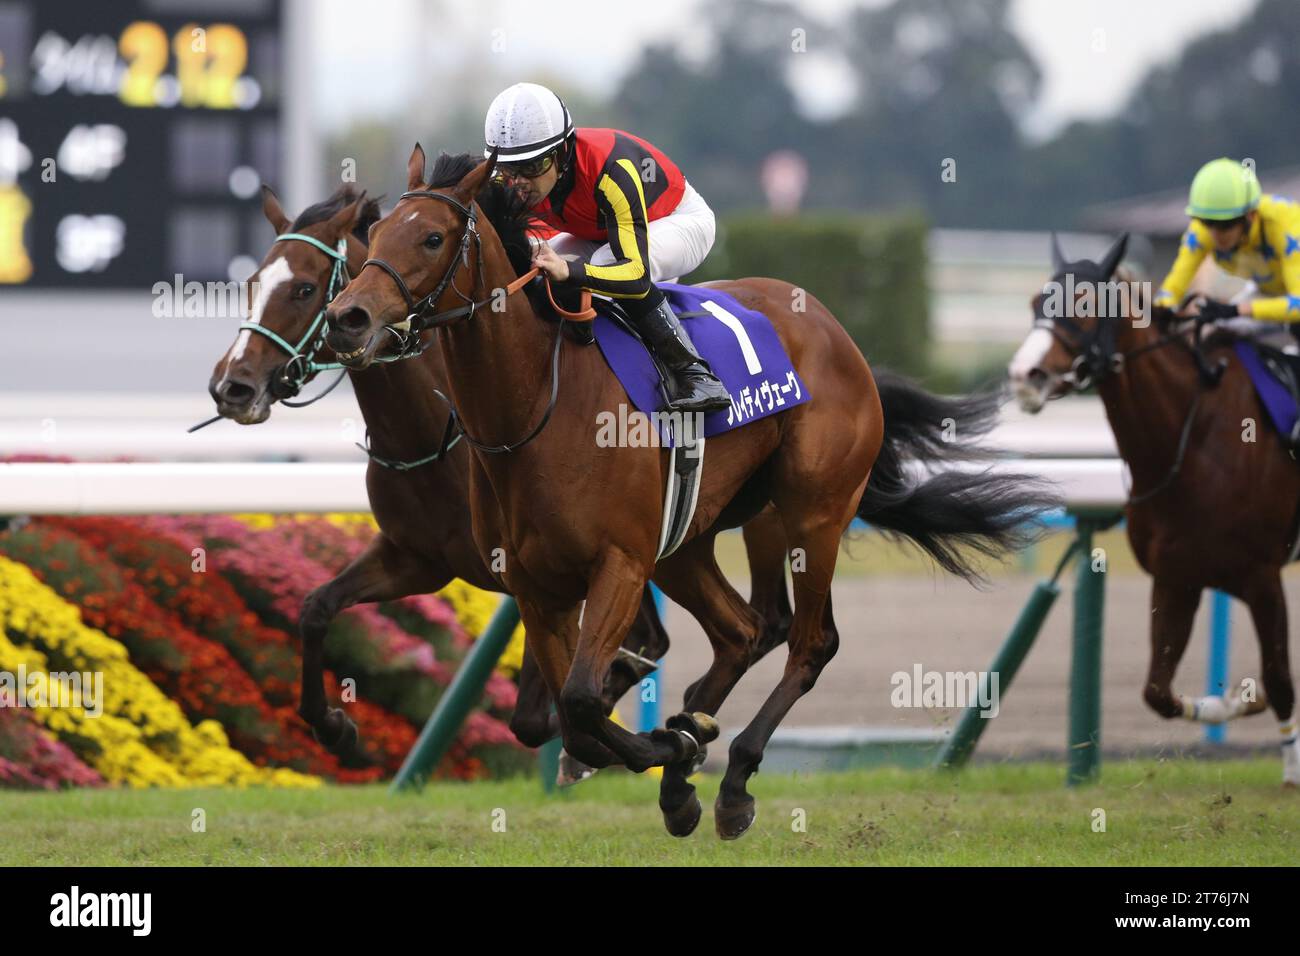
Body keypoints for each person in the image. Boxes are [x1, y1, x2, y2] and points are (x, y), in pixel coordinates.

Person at [484, 81, 731, 414]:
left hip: (679, 221)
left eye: (531, 168)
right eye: (508, 171)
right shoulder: (510, 183)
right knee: (542, 264)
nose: (519, 184)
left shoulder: (610, 168)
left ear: (561, 153)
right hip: (605, 232)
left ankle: (696, 374)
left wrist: (569, 270)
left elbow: (634, 273)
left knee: (602, 263)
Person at [1154, 158, 1300, 332]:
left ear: (1251, 215)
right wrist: (1161, 313)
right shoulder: (1202, 233)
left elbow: (1297, 304)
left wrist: (1236, 310)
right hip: (1267, 292)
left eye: (1226, 224)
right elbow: (1171, 290)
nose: (1216, 234)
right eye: (1207, 222)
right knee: (1216, 335)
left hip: (1294, 298)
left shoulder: (1287, 227)